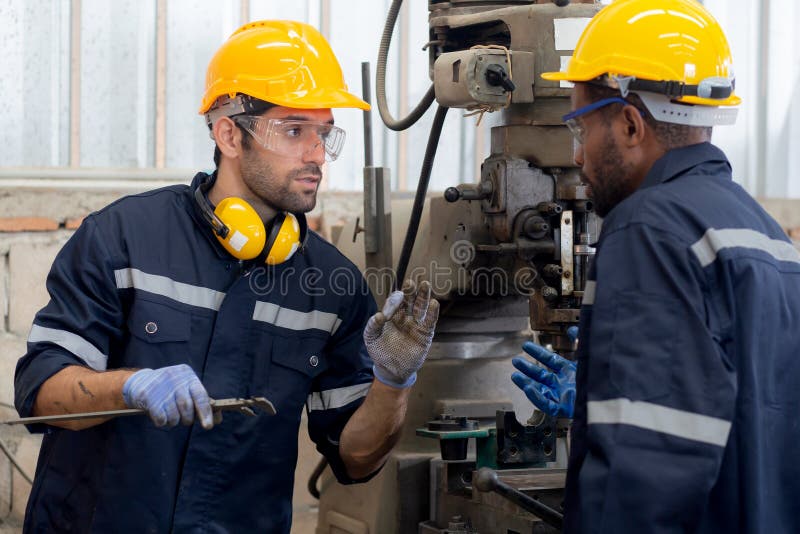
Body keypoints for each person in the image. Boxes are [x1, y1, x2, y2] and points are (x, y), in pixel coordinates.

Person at [14, 20, 439, 533]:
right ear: (229, 134)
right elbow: (40, 393)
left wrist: (392, 381)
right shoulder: (123, 238)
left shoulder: (334, 286)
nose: (316, 155)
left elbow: (355, 458)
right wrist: (129, 387)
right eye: (294, 130)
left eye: (324, 133)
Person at [511, 0, 800, 532]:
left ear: (629, 124)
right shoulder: (768, 237)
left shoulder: (648, 229)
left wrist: (618, 416)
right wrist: (601, 400)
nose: (577, 157)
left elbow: (642, 478)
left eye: (580, 129)